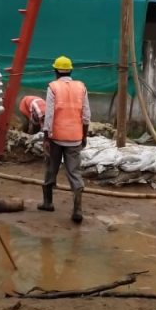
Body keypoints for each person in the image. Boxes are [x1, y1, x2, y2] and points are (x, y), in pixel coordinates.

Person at [40, 55, 90, 223]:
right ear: (71, 71)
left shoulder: (53, 87)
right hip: (75, 137)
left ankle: (48, 203)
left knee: (50, 168)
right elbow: (86, 116)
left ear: (56, 72)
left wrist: (46, 137)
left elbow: (49, 116)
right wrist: (84, 135)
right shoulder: (81, 87)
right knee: (74, 173)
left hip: (56, 137)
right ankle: (77, 210)